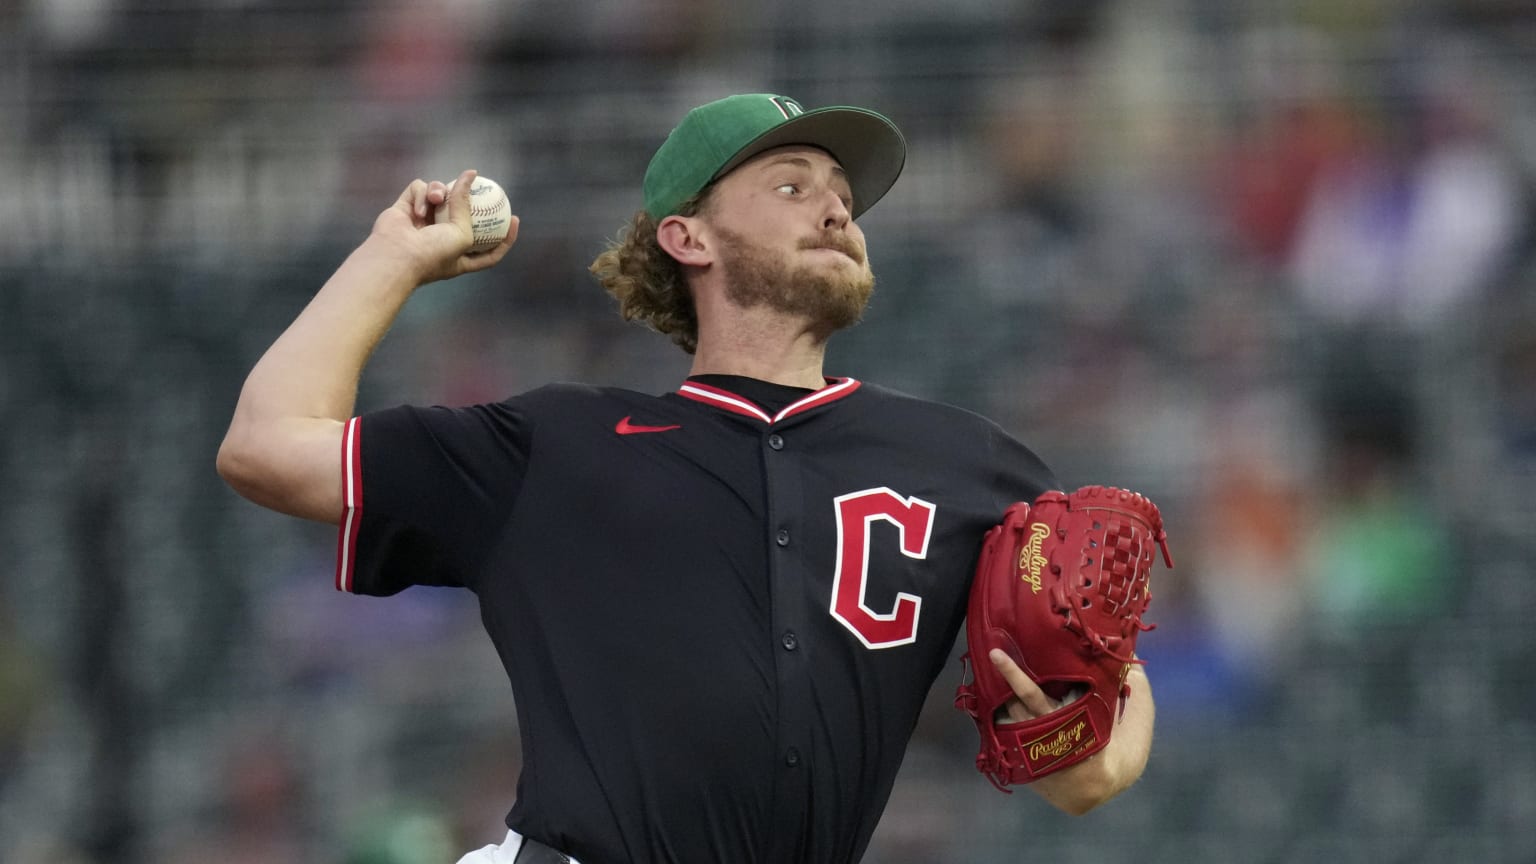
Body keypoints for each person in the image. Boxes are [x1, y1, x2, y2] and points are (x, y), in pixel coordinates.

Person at [217, 93, 1155, 864]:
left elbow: (1086, 755)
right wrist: (393, 257)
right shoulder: (556, 443)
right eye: (791, 185)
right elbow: (266, 446)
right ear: (687, 237)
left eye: (842, 197)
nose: (835, 210)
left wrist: (1104, 757)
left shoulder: (966, 464)